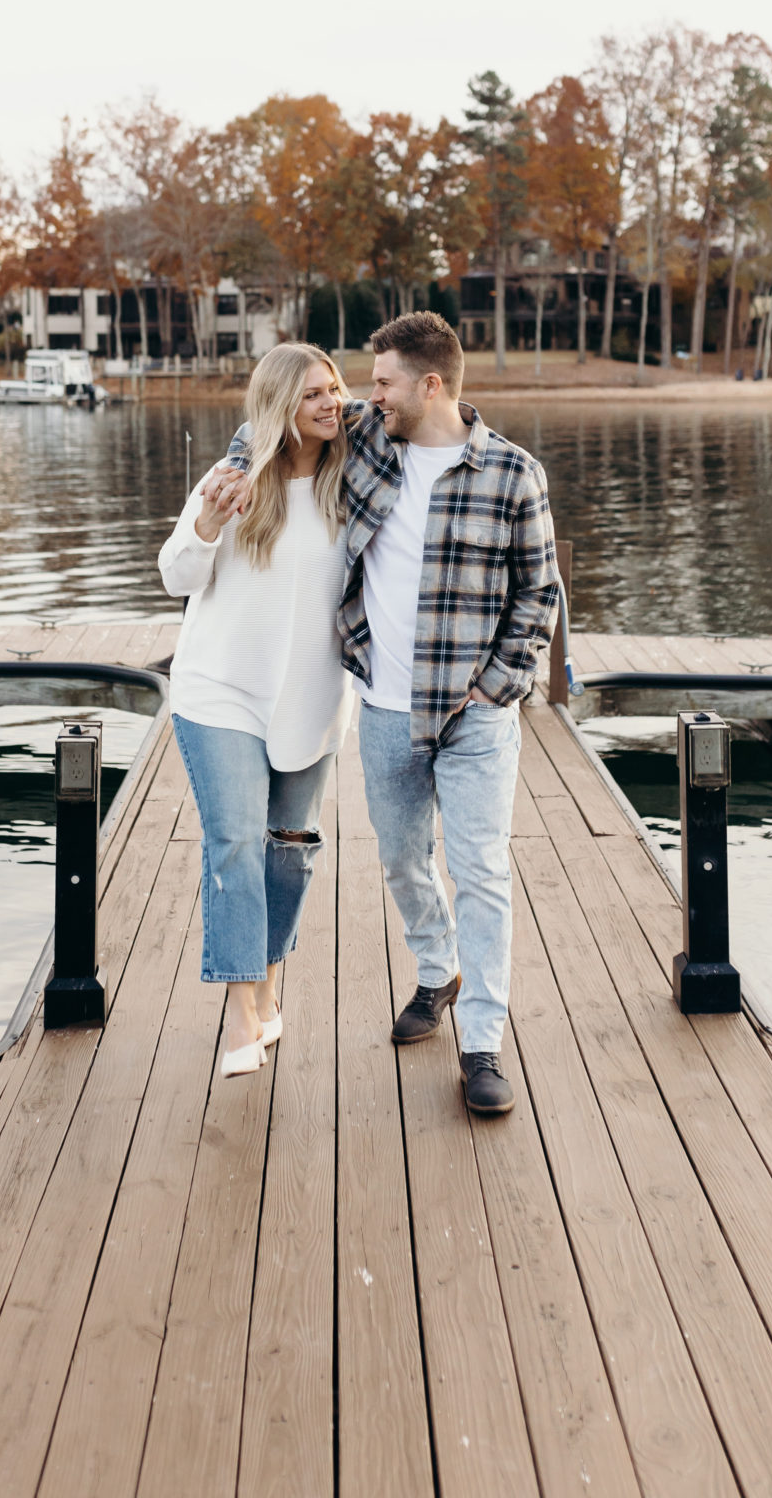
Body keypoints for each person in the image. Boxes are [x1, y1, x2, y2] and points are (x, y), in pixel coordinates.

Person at [225, 312, 558, 1116]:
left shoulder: (513, 473)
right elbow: (270, 417)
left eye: (380, 382)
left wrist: (496, 687)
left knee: (480, 871)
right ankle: (435, 970)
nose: (361, 395)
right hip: (380, 705)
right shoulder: (370, 439)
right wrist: (239, 462)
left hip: (474, 715)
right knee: (404, 862)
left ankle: (481, 1044)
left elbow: (538, 594)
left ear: (429, 385)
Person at [158, 343, 352, 1079]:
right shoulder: (233, 481)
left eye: (334, 390)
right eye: (312, 395)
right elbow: (175, 574)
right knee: (236, 842)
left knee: (291, 851)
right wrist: (205, 523)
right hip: (220, 691)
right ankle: (242, 1011)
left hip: (311, 698)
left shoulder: (350, 480)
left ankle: (267, 979)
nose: (330, 403)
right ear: (278, 405)